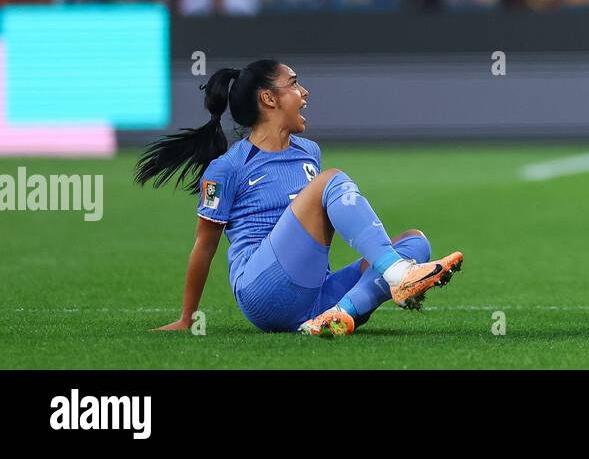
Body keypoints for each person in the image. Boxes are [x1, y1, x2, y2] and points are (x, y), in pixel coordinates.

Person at [135, 59, 464, 337]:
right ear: (269, 98)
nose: (304, 93)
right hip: (261, 291)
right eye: (293, 84)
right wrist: (187, 317)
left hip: (314, 295)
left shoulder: (309, 152)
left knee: (415, 243)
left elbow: (314, 238)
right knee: (331, 181)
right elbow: (204, 245)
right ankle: (397, 275)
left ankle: (340, 314)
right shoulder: (228, 167)